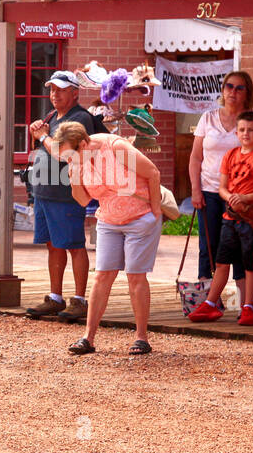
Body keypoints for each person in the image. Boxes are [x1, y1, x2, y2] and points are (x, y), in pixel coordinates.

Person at [45, 122, 164, 355]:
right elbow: (81, 200)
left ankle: (141, 337)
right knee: (102, 276)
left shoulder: (115, 147)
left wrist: (156, 212)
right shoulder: (76, 161)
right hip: (109, 219)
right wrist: (75, 174)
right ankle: (88, 337)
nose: (68, 158)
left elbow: (152, 173)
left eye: (70, 153)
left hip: (139, 217)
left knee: (135, 276)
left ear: (83, 143)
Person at [25, 70, 107, 322]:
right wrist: (37, 132)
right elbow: (44, 144)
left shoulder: (80, 117)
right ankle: (55, 297)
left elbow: (64, 152)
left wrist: (42, 136)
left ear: (75, 92)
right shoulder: (53, 116)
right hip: (45, 191)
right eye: (52, 89)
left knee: (73, 245)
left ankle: (81, 300)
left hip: (66, 193)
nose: (54, 94)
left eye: (60, 89)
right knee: (52, 245)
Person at [188, 71, 253, 311]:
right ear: (223, 90)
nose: (233, 91)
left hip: (244, 198)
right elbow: (195, 157)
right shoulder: (208, 118)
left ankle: (242, 303)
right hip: (210, 191)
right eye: (229, 86)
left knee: (241, 249)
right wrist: (195, 189)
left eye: (239, 87)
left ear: (248, 92)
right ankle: (207, 301)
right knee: (209, 246)